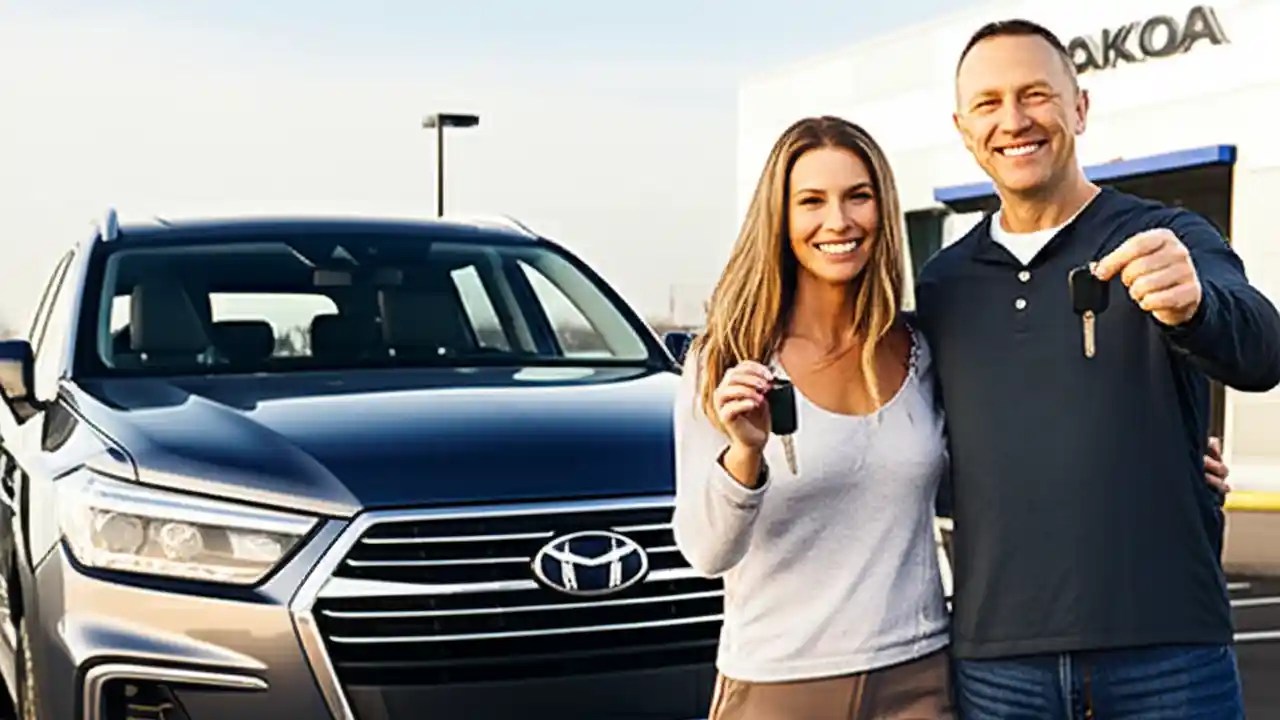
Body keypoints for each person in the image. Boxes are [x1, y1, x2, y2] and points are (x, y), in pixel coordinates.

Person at [669, 114, 1234, 718]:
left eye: (858, 197)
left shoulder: (918, 348)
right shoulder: (727, 360)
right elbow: (705, 552)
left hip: (918, 675)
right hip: (780, 681)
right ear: (779, 219)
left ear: (883, 210)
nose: (838, 221)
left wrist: (1158, 460)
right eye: (811, 201)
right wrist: (744, 456)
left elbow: (987, 467)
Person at [913, 18, 1280, 718]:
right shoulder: (943, 284)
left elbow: (1263, 351)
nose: (1014, 120)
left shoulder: (1166, 237)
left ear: (1079, 107)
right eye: (988, 104)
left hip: (1170, 654)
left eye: (1035, 94)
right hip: (998, 665)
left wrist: (1195, 306)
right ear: (963, 129)